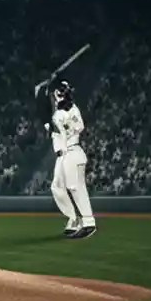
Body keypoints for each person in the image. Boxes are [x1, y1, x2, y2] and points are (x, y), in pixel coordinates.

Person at [45, 80, 97, 239]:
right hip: (64, 154)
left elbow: (69, 127)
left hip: (72, 151)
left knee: (75, 187)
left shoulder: (63, 113)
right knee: (57, 186)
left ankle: (88, 222)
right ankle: (75, 218)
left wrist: (55, 125)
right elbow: (76, 127)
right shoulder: (69, 110)